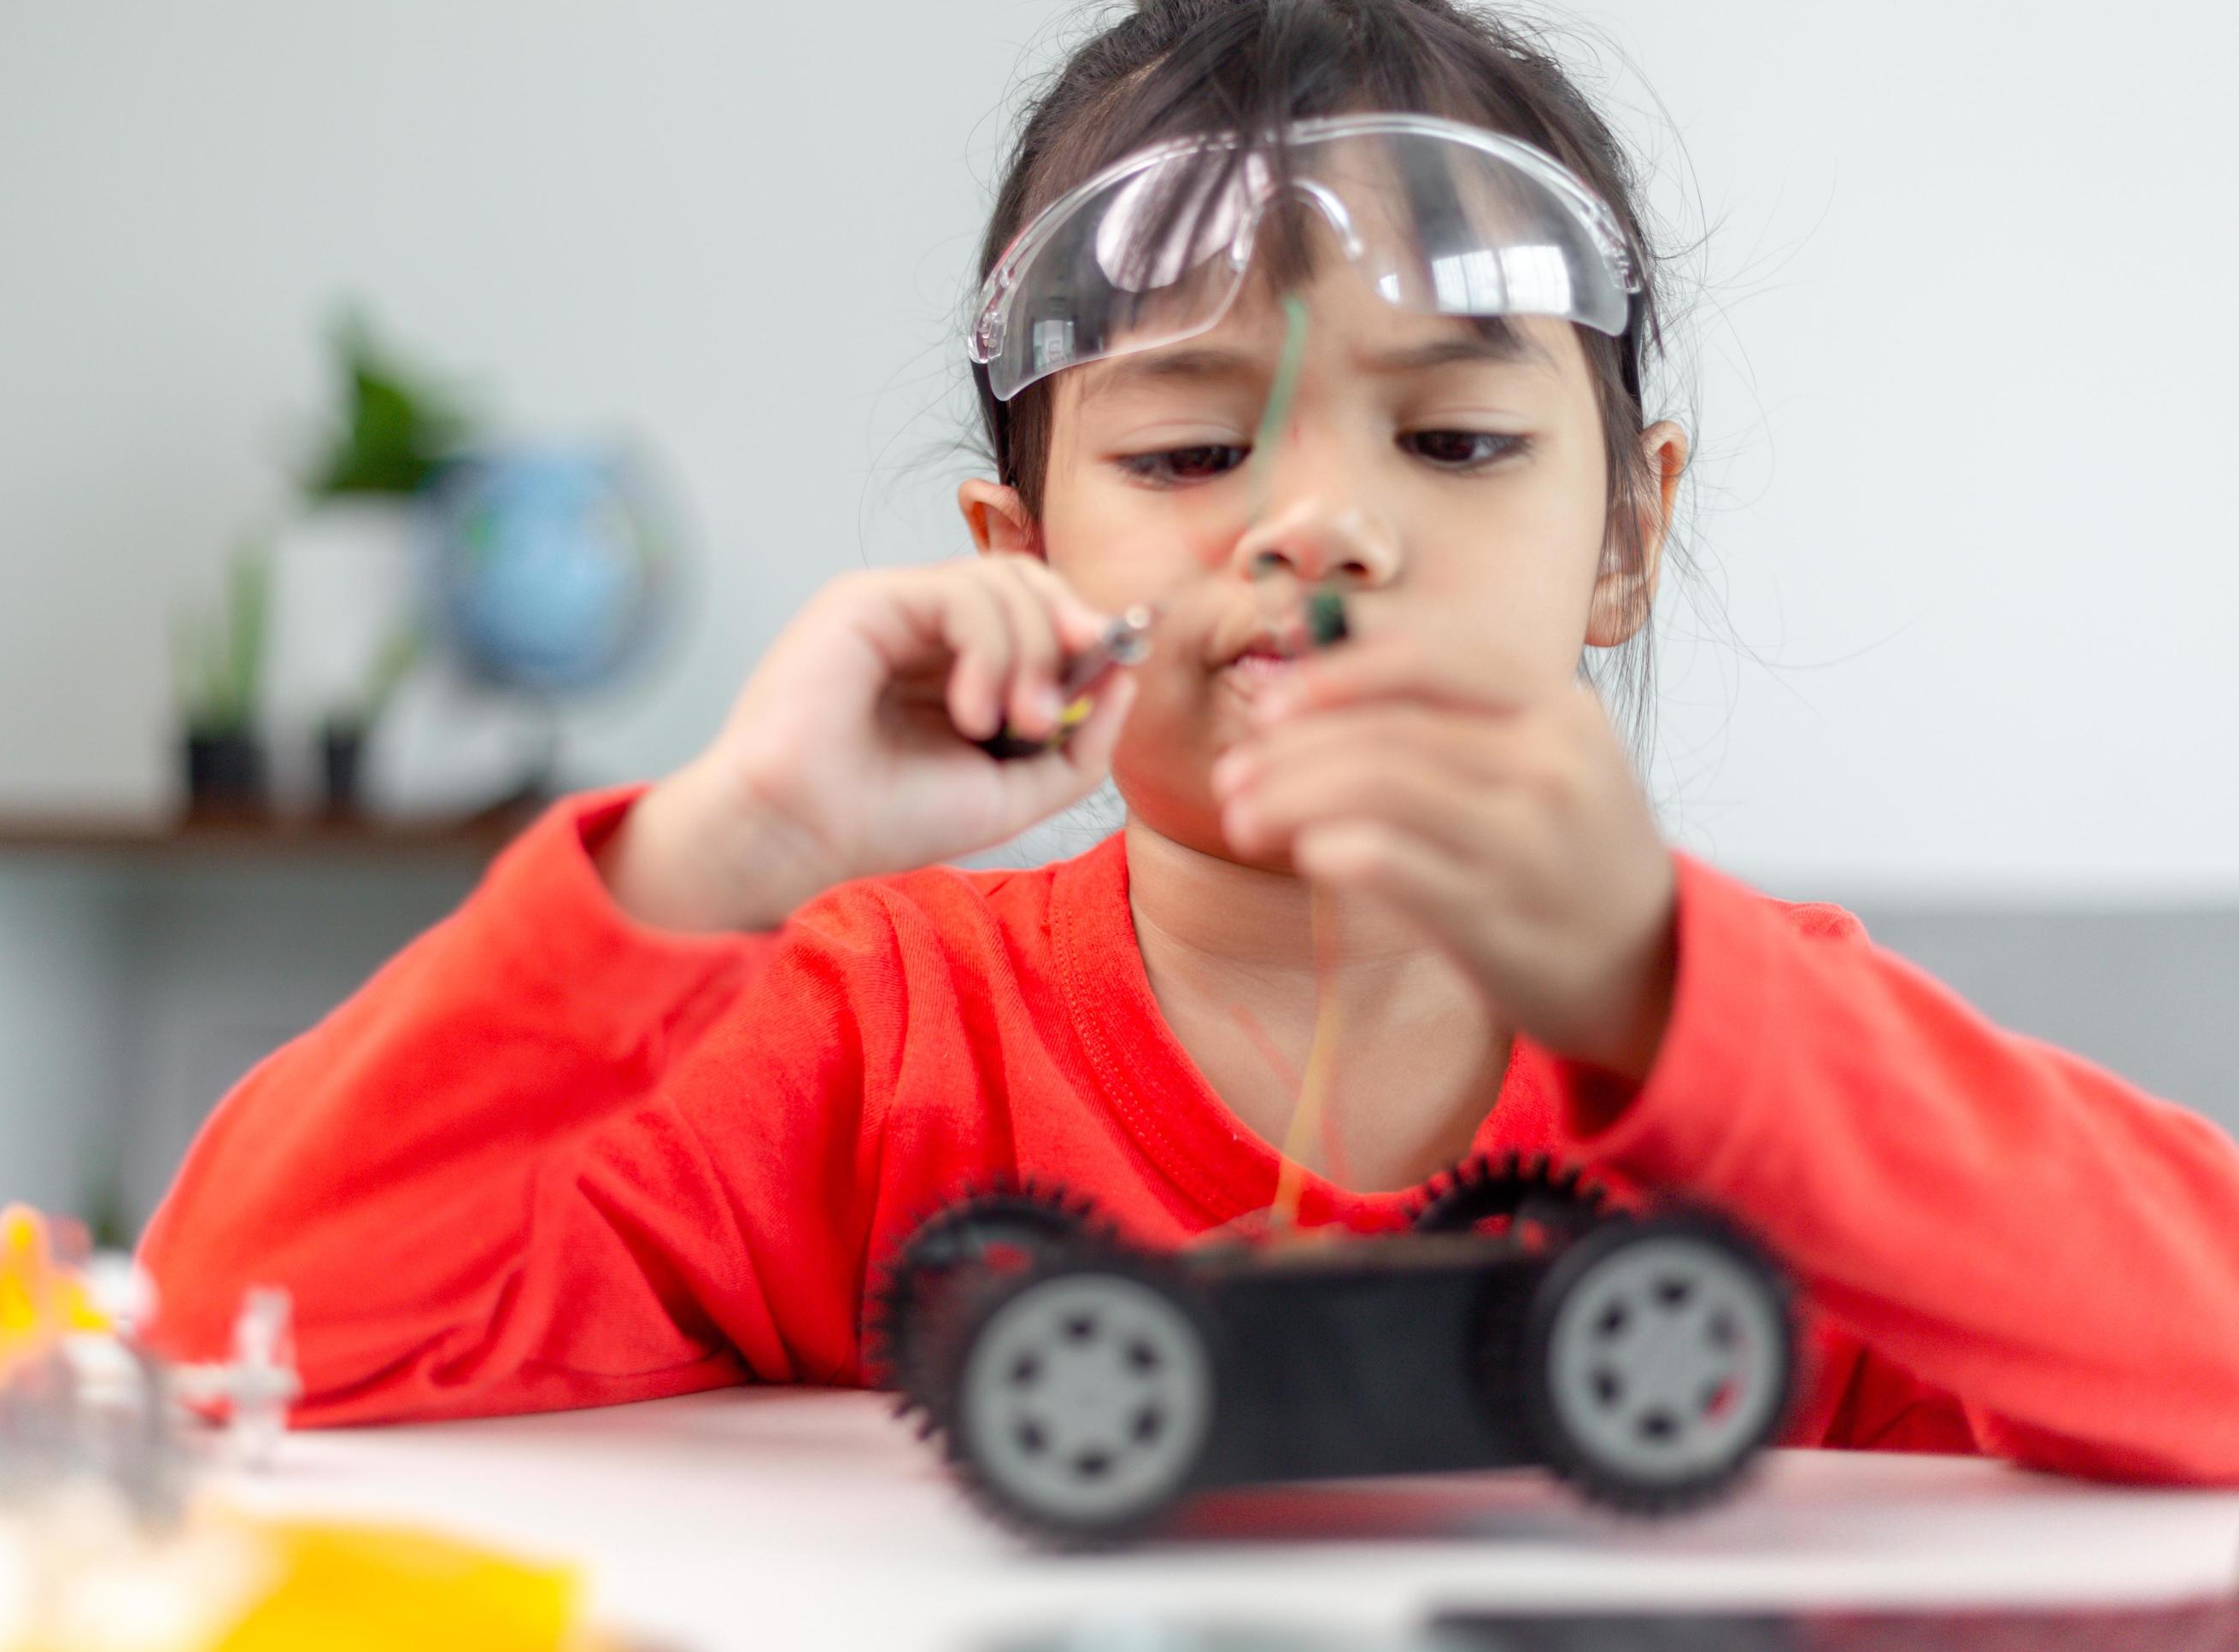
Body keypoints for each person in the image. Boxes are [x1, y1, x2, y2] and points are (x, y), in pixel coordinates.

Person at [140, 0, 2239, 1485]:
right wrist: (724, 846)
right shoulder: (861, 1043)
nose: (1315, 521)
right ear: (1020, 554)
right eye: (1191, 441)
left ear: (1627, 536)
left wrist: (1663, 1002)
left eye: (1457, 434)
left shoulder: (1787, 1091)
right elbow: (241, 1322)